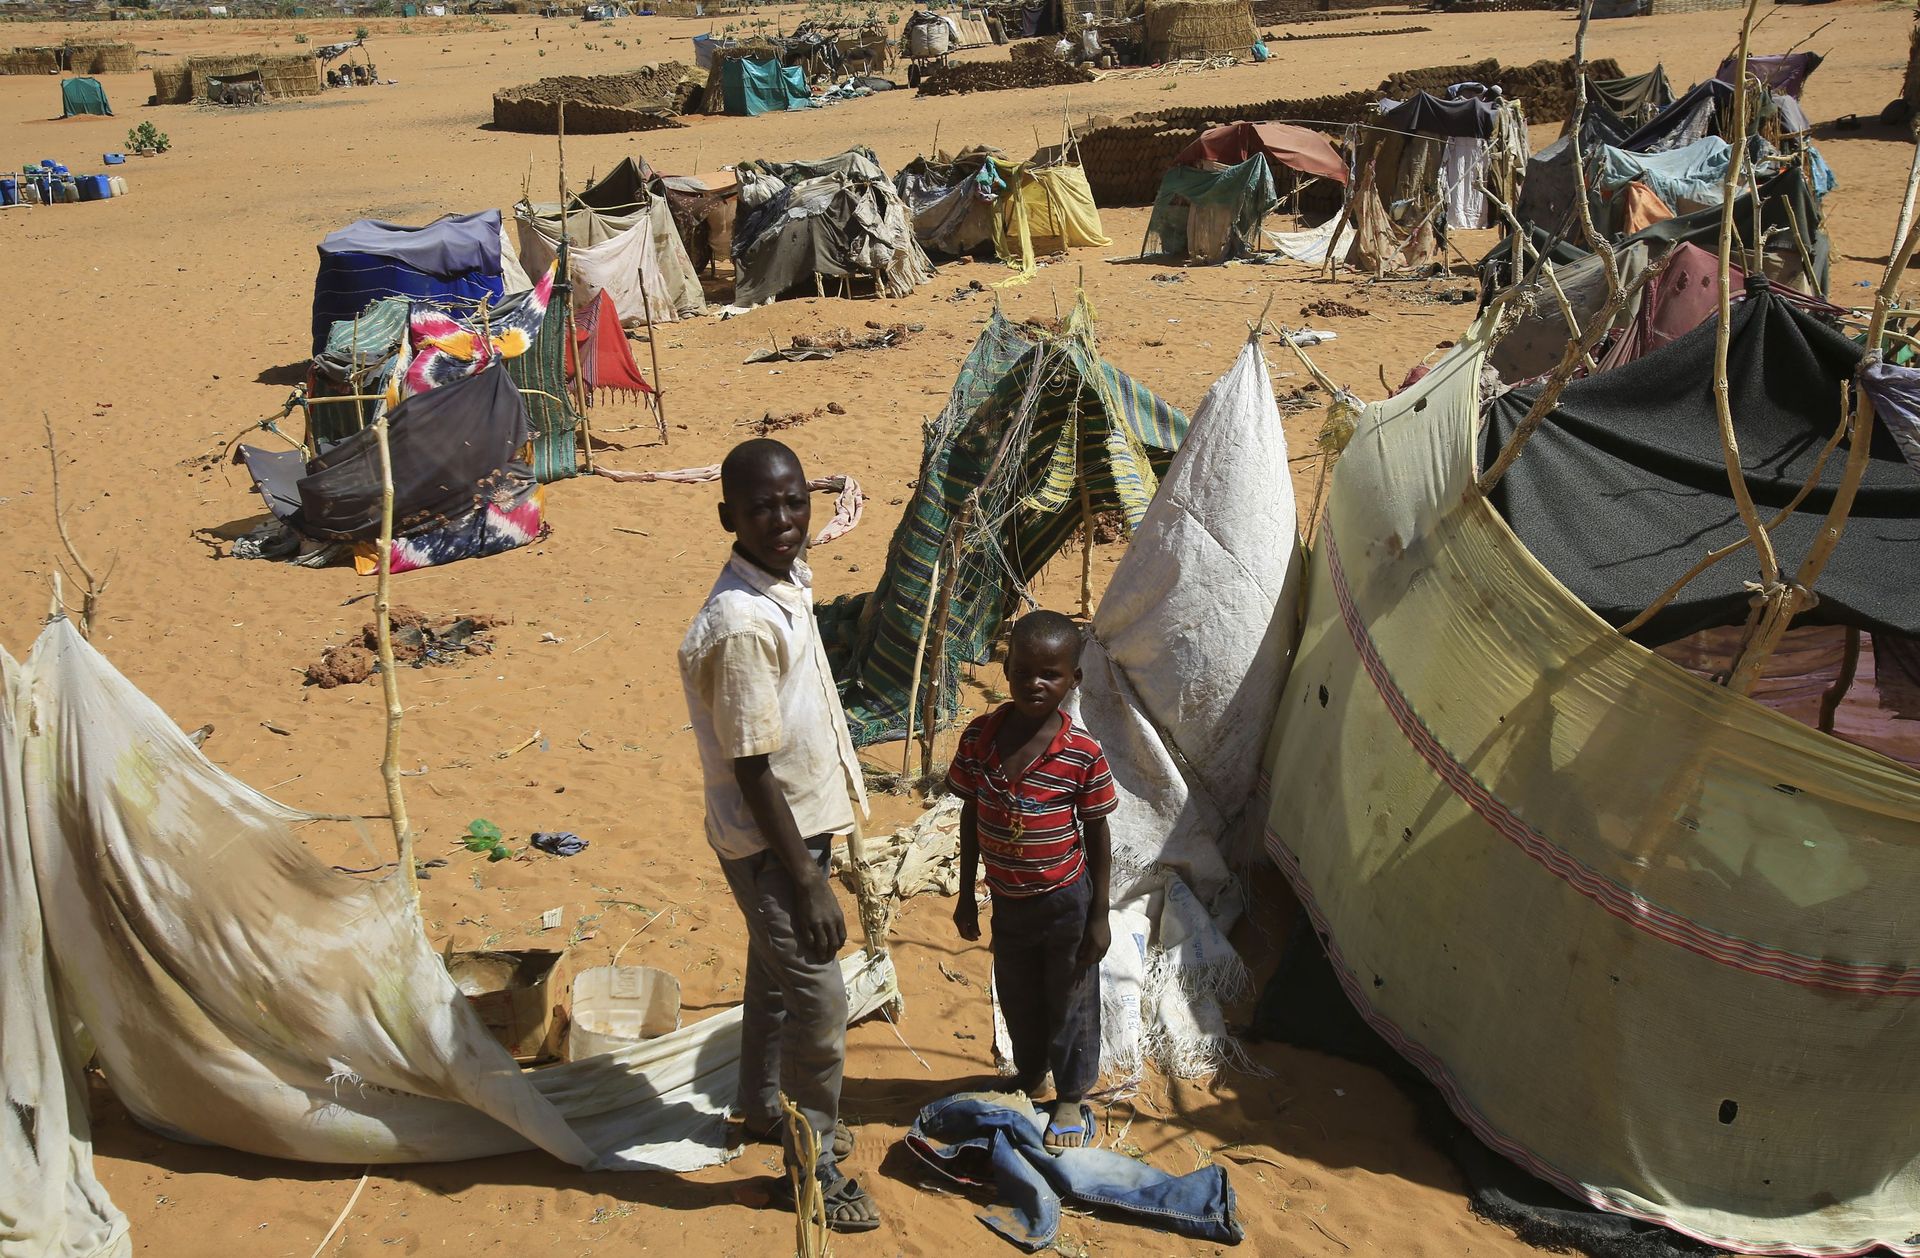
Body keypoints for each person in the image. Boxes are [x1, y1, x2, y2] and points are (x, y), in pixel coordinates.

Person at [677, 438, 880, 1233]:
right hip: (773, 847)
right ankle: (810, 1162)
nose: (784, 518)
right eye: (761, 507)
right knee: (821, 1005)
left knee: (773, 978)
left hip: (797, 830)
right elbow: (753, 767)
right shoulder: (739, 623)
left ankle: (762, 1106)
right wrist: (806, 881)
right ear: (727, 516)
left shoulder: (785, 582)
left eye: (795, 500)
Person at [949, 610, 1116, 1151]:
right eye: (1023, 671)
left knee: (1069, 999)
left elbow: (1098, 835)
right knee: (1017, 993)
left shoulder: (1082, 753)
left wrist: (1099, 915)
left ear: (1074, 679)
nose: (1034, 684)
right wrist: (967, 895)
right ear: (1006, 669)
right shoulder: (980, 738)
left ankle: (1070, 1095)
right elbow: (970, 815)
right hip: (1007, 900)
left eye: (1050, 674)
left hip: (1066, 901)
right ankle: (1030, 1073)